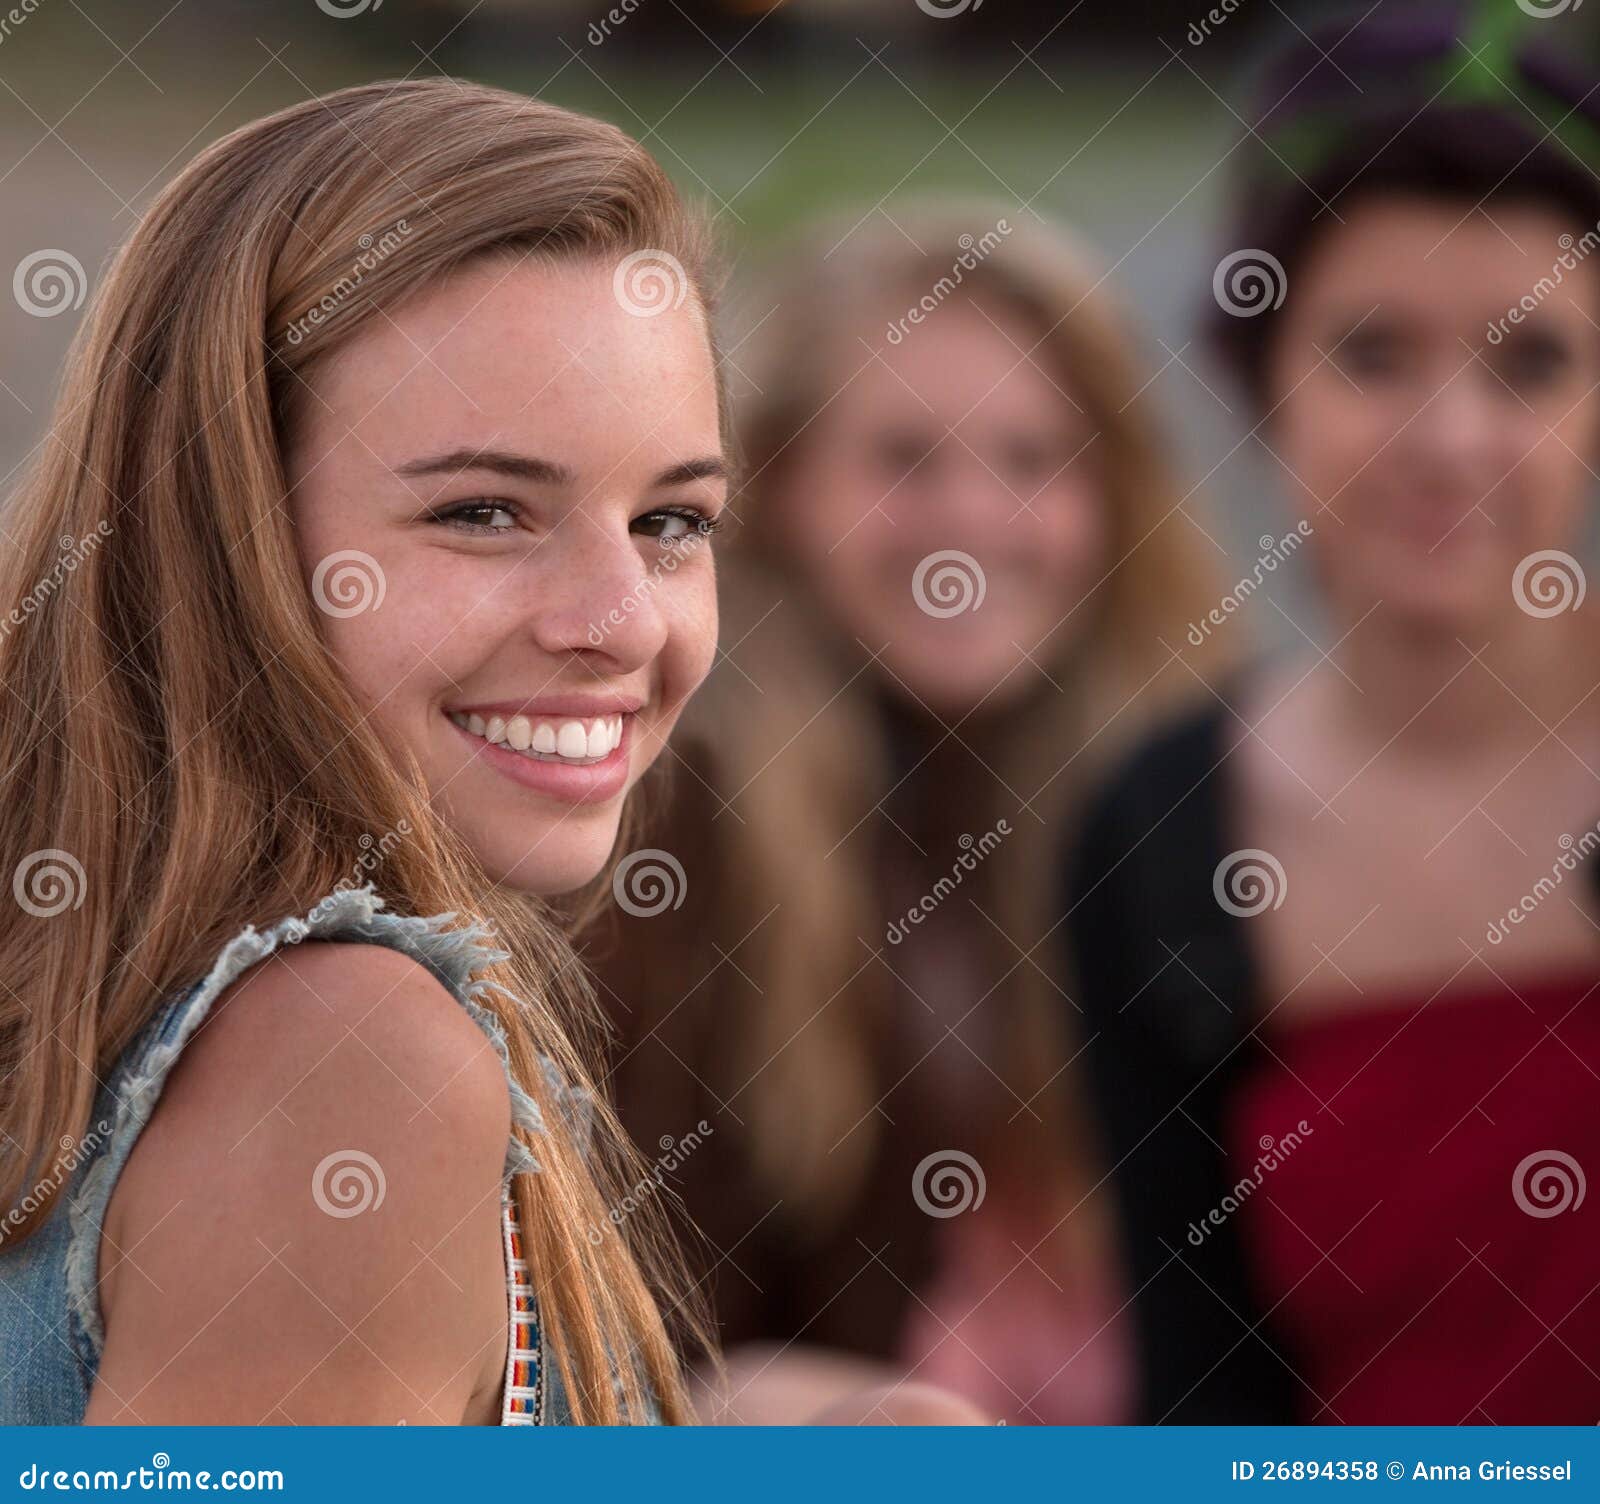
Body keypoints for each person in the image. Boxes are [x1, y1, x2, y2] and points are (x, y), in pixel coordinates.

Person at [0, 77, 986, 1430]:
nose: (620, 623)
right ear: (224, 531)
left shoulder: (98, 972)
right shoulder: (350, 1057)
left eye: (672, 522)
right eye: (482, 511)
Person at [583, 202, 1232, 1423]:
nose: (970, 521)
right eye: (903, 459)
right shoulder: (670, 822)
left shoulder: (1185, 797)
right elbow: (605, 1352)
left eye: (1033, 459)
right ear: (776, 490)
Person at [1064, 1, 1600, 1425]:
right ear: (1259, 382)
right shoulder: (1159, 835)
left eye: (1531, 361)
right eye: (1372, 354)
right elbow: (1203, 1399)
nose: (1452, 439)